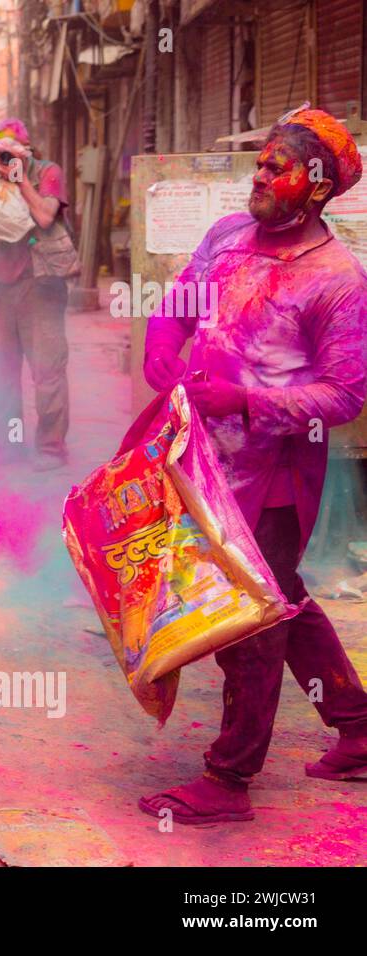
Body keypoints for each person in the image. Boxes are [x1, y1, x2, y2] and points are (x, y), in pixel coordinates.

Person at [138, 106, 367, 824]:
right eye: (259, 162)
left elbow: (345, 395)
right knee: (280, 595)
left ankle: (229, 779)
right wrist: (160, 339)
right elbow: (182, 301)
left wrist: (243, 399)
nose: (258, 175)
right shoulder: (228, 236)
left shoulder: (338, 279)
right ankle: (359, 729)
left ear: (319, 185)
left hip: (275, 474)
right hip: (202, 458)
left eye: (276, 166)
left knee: (253, 623)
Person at [0, 118, 77, 471]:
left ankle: (51, 448)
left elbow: (46, 218)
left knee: (47, 370)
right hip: (1, 287)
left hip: (41, 285)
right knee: (2, 371)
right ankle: (10, 445)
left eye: (10, 151)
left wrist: (19, 180)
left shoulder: (47, 172)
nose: (3, 158)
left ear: (26, 150)